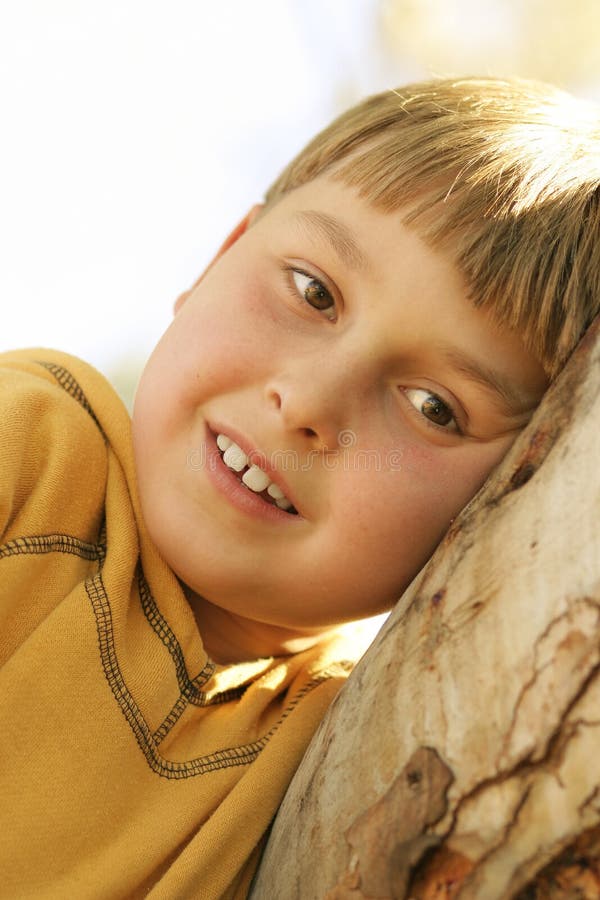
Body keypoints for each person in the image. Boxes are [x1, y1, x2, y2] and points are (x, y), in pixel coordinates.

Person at [1, 75, 599, 899]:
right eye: (314, 292)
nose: (310, 403)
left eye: (434, 407)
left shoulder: (359, 752)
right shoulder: (34, 449)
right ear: (218, 258)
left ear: (499, 512)